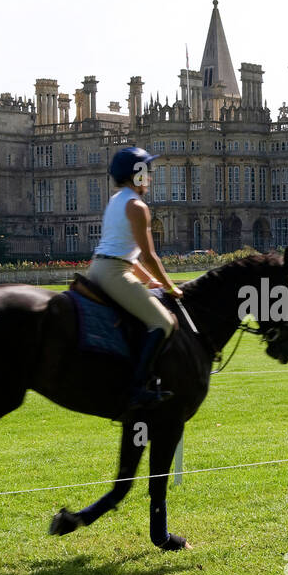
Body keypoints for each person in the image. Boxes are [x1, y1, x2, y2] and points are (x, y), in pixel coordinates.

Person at [86, 146, 183, 414]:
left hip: (99, 268)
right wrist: (169, 286)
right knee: (163, 323)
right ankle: (136, 388)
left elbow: (129, 254)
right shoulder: (138, 207)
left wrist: (149, 281)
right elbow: (150, 255)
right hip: (114, 273)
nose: (150, 177)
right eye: (146, 172)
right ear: (136, 175)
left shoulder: (116, 200)